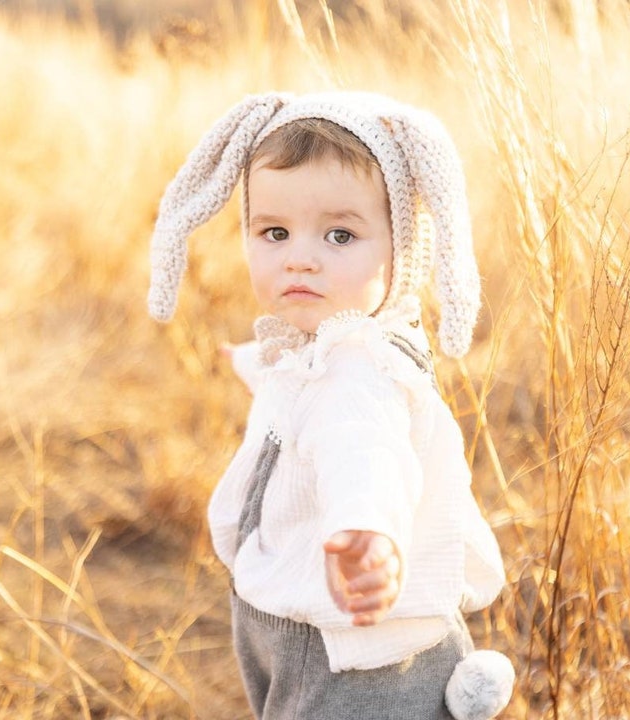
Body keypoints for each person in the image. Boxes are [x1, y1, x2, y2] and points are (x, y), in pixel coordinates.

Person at [148, 91, 514, 720]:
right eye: (275, 232)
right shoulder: (313, 347)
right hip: (303, 633)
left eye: (340, 235)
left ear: (401, 249)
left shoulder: (360, 367)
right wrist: (246, 361)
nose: (299, 257)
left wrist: (368, 529)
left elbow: (365, 451)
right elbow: (291, 385)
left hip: (354, 660)